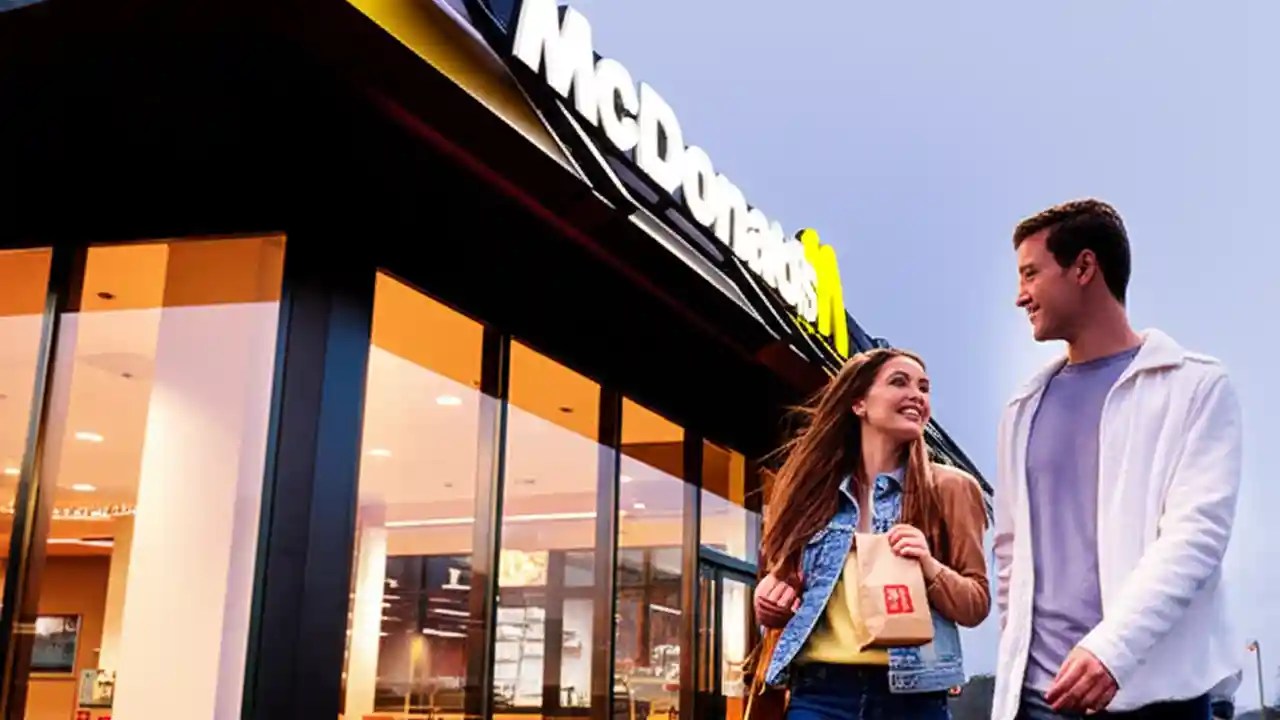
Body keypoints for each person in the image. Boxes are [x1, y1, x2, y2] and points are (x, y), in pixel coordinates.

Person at [992, 199, 1244, 719]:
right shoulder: (1021, 407)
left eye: (1031, 274)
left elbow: (1195, 537)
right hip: (1038, 699)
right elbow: (1011, 549)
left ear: (1084, 267)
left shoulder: (1195, 386)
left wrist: (1111, 651)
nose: (1020, 296)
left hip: (1155, 697)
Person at [751, 347, 990, 719]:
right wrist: (768, 602)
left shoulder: (951, 489)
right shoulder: (811, 491)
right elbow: (781, 586)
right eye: (899, 382)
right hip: (820, 694)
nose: (917, 395)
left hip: (913, 699)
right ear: (858, 403)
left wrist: (928, 566)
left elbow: (976, 604)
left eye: (924, 388)